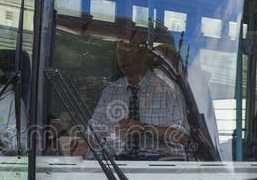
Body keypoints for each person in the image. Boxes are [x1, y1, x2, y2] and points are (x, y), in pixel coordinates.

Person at [73, 28, 189, 159]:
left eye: (128, 51)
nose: (123, 58)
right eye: (120, 52)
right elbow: (93, 132)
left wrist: (144, 128)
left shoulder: (168, 91)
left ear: (144, 55)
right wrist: (76, 158)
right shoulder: (111, 91)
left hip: (157, 164)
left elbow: (182, 137)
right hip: (116, 164)